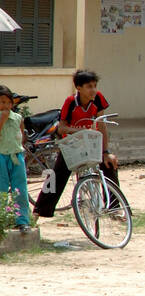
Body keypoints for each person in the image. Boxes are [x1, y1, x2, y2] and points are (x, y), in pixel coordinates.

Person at [33, 70, 118, 221]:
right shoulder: (70, 102)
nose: (93, 90)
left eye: (94, 86)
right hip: (72, 144)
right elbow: (61, 128)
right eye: (89, 86)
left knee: (110, 164)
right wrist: (79, 131)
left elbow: (102, 125)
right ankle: (39, 211)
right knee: (57, 175)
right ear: (79, 88)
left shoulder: (98, 99)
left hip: (91, 142)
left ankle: (115, 208)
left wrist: (106, 152)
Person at [0, 85, 33, 233]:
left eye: (8, 102)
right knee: (2, 190)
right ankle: (3, 219)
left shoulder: (18, 118)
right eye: (1, 102)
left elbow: (21, 135)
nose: (5, 105)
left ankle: (22, 221)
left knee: (20, 190)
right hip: (1, 156)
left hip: (16, 156)